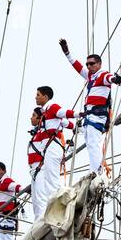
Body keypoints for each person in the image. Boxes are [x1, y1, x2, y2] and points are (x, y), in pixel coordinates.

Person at [60, 38, 121, 177]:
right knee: (90, 143)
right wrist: (67, 52)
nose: (88, 66)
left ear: (99, 64)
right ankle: (95, 170)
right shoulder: (91, 76)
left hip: (97, 115)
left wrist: (116, 79)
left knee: (93, 143)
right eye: (87, 64)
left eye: (92, 64)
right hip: (90, 115)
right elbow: (76, 66)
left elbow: (110, 78)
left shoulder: (102, 75)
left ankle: (97, 172)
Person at [29, 87, 75, 221]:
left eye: (33, 116)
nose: (31, 118)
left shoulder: (51, 116)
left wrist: (80, 118)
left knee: (45, 192)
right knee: (38, 200)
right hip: (35, 168)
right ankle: (40, 220)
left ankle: (54, 213)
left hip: (41, 165)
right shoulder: (39, 131)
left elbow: (65, 119)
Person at [0, 162, 23, 240]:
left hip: (6, 221)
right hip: (2, 220)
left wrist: (28, 191)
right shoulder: (0, 183)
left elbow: (16, 187)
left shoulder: (6, 181)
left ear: (4, 171)